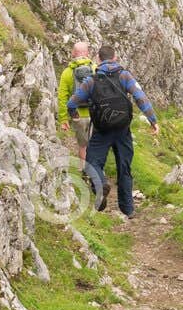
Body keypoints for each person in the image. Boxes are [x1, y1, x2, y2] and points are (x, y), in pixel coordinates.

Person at [66, 46, 160, 217]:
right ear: (115, 57)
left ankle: (100, 184)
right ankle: (128, 209)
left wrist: (75, 115)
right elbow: (140, 97)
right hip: (122, 130)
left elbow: (72, 103)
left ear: (98, 59)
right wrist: (152, 120)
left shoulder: (91, 80)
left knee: (93, 162)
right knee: (124, 167)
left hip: (101, 130)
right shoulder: (125, 75)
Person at [57, 41, 94, 160]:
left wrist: (63, 118)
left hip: (77, 115)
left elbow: (62, 97)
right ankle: (96, 172)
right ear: (87, 53)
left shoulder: (67, 72)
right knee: (95, 144)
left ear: (73, 53)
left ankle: (84, 172)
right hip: (95, 114)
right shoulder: (96, 69)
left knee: (82, 146)